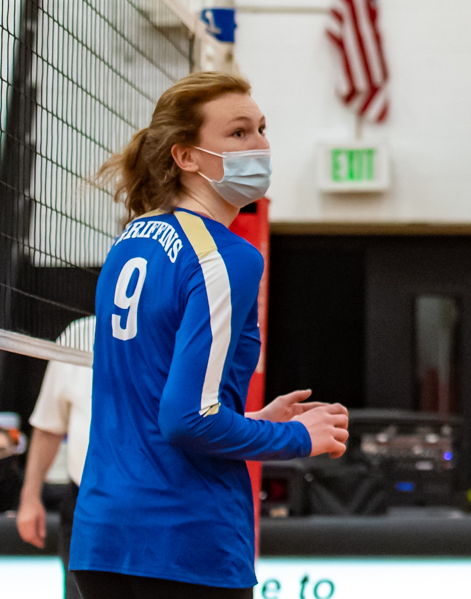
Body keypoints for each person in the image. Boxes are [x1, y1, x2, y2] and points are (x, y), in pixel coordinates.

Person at [69, 72, 351, 599]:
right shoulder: (226, 256)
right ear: (186, 157)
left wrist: (250, 421)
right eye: (239, 133)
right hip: (184, 544)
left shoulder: (130, 241)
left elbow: (158, 401)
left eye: (262, 128)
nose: (260, 145)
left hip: (104, 540)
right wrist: (298, 438)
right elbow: (187, 420)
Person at [16, 315, 95, 598]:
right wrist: (29, 498)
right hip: (83, 504)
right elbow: (49, 426)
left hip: (155, 506)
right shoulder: (80, 334)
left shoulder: (180, 330)